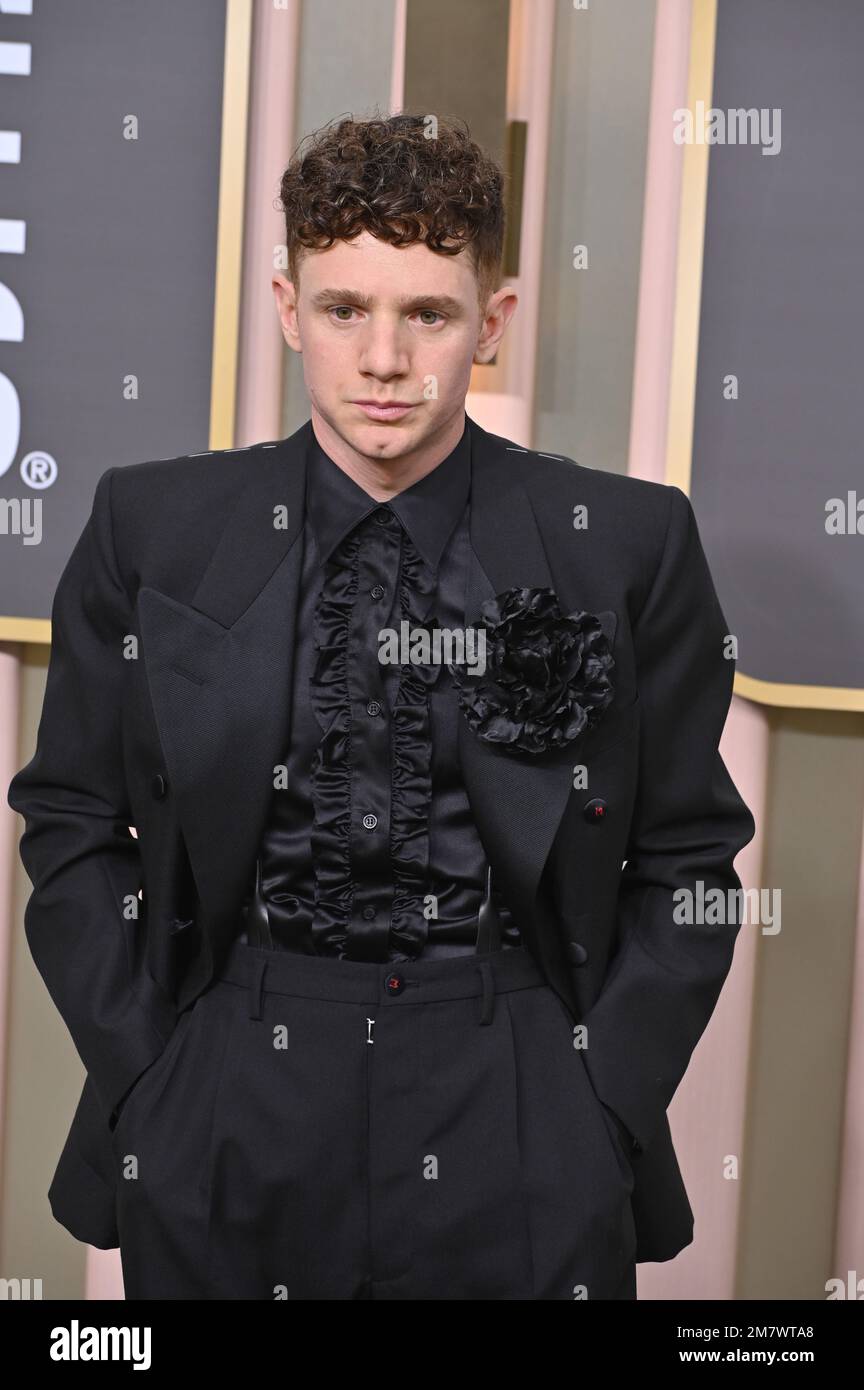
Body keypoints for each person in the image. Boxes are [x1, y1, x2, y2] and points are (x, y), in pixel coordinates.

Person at [7, 111, 756, 1300]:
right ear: (289, 308)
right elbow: (69, 818)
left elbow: (695, 857)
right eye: (346, 309)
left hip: (516, 1079)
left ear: (493, 323)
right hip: (228, 1076)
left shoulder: (624, 541)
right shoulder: (151, 527)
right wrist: (148, 1067)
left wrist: (600, 1095)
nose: (384, 360)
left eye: (429, 314)